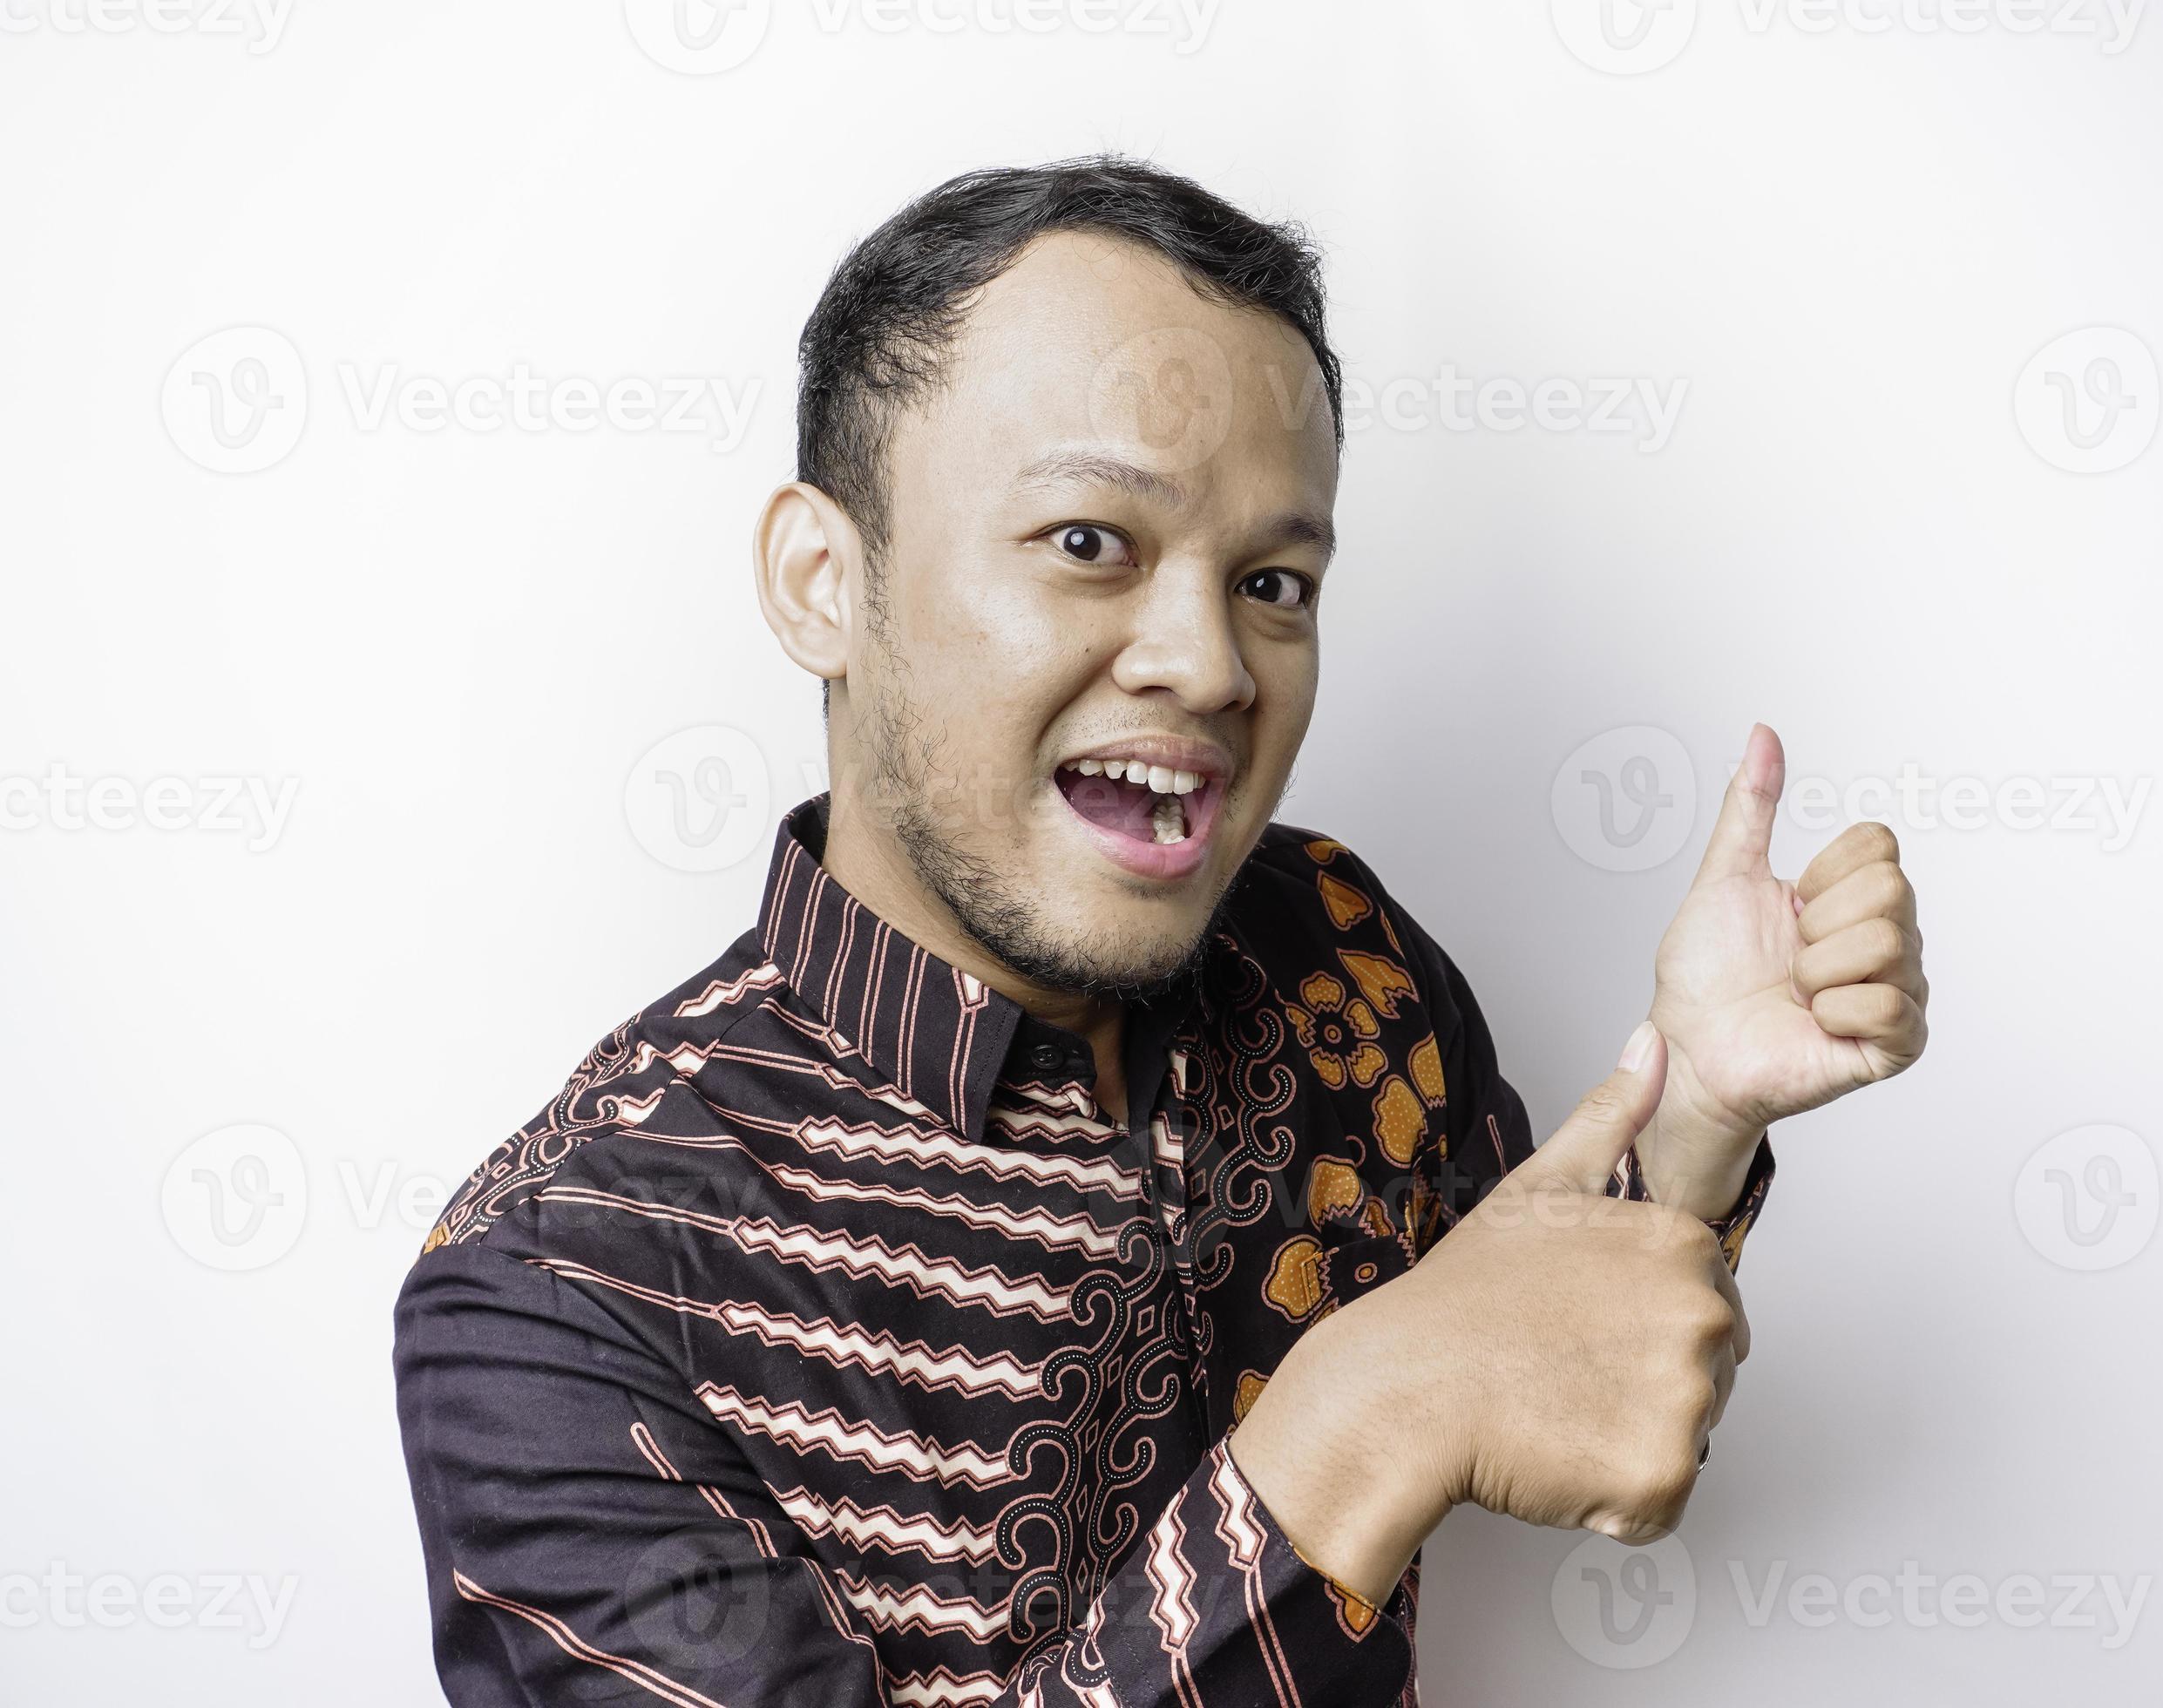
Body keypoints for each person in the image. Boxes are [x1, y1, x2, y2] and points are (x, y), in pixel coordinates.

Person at [392, 156, 1929, 1707]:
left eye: (1273, 580)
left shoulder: (1332, 950)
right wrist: (1369, 1417)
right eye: (1088, 542)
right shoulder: (554, 1301)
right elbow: (1450, 1369)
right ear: (821, 582)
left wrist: (1706, 1112)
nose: (1210, 665)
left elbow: (1546, 1332)